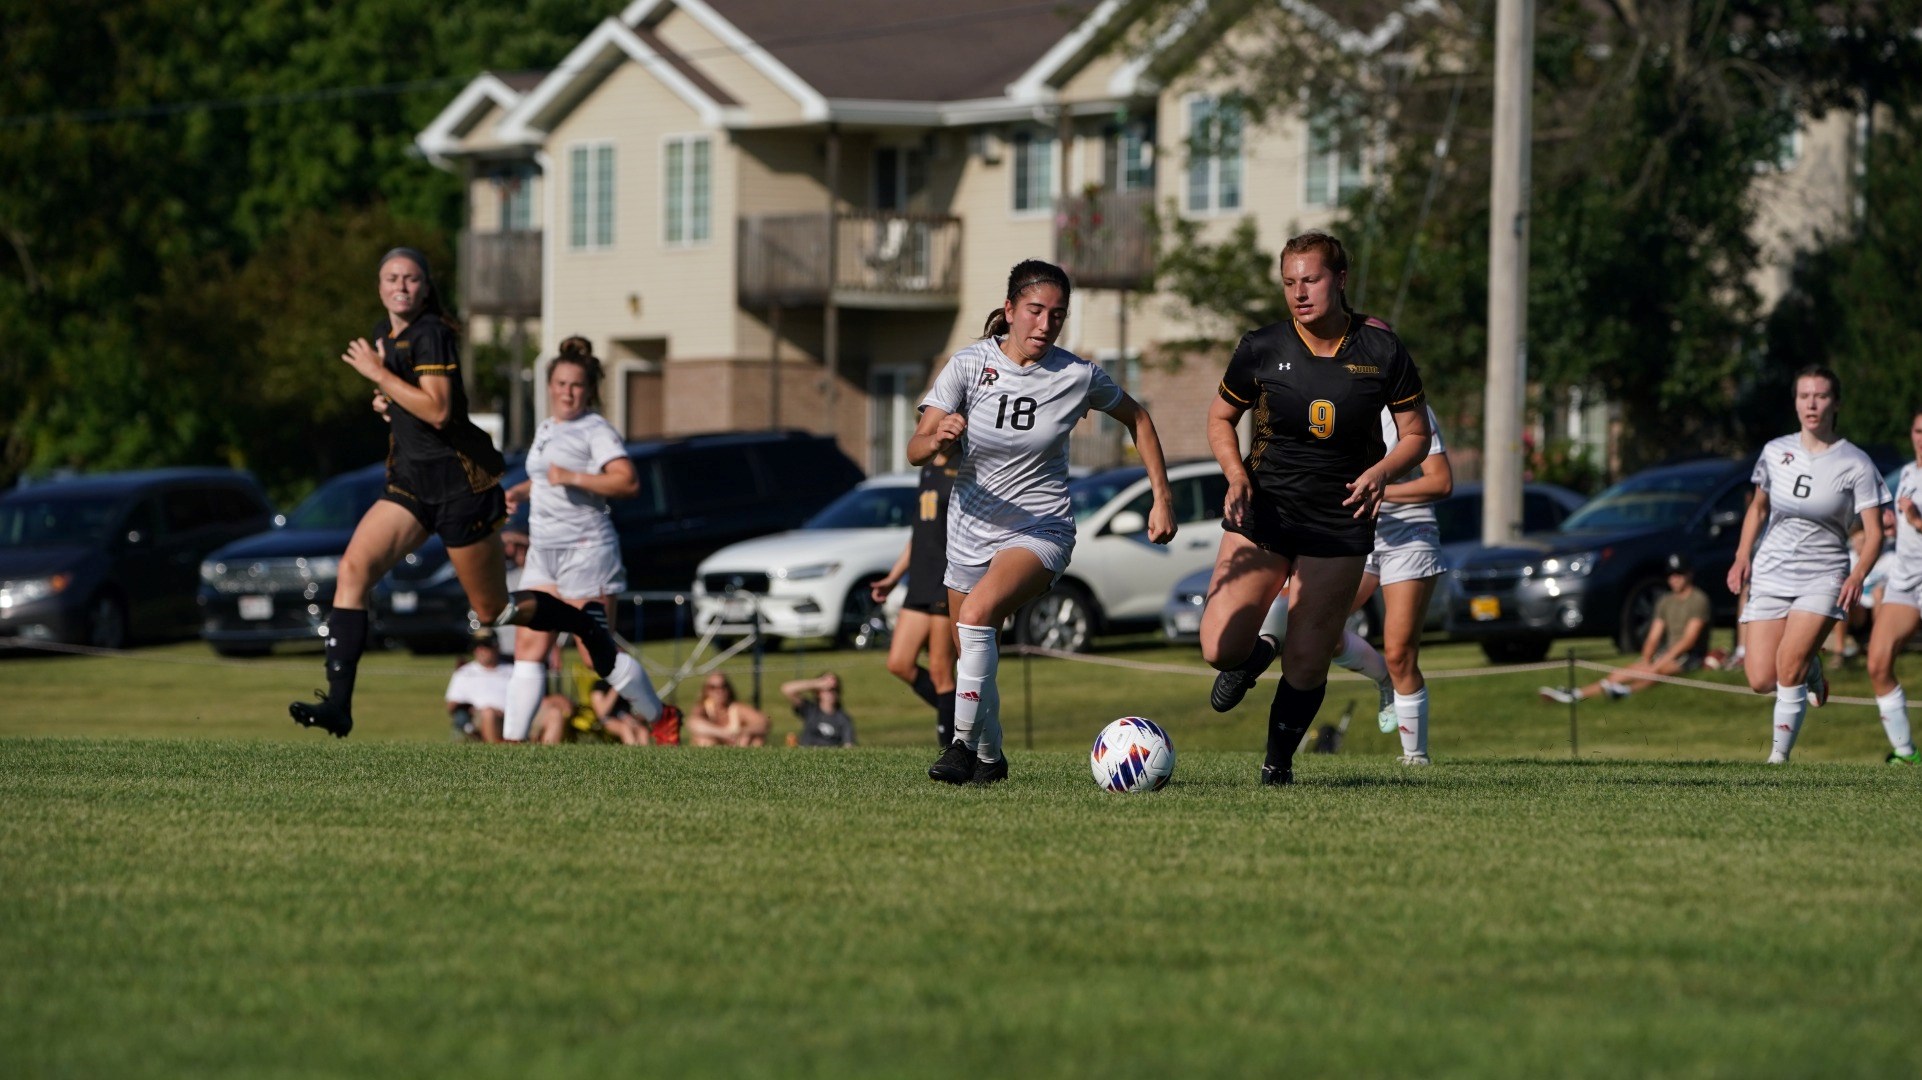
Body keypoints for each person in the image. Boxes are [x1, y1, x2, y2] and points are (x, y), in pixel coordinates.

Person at [290, 249, 653, 738]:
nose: (401, 286)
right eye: (391, 278)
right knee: (353, 570)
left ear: (425, 286)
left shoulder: (432, 333)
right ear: (378, 285)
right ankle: (338, 705)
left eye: (412, 278)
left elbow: (439, 412)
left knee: (494, 611)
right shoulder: (385, 333)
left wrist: (380, 378)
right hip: (412, 486)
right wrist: (386, 401)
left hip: (461, 488)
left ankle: (583, 623)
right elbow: (410, 403)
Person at [913, 259, 1176, 785]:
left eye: (1057, 315)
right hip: (968, 531)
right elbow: (916, 447)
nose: (1045, 324)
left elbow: (1139, 419)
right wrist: (939, 437)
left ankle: (960, 747)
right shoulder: (967, 366)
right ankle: (991, 757)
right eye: (1035, 311)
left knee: (980, 614)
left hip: (1041, 529)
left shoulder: (1076, 375)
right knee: (974, 652)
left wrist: (1161, 497)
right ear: (1010, 310)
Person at [1200, 231, 1431, 786]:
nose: (1299, 293)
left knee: (1307, 657)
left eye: (1311, 279)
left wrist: (1381, 473)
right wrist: (1236, 474)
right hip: (1266, 510)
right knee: (1218, 646)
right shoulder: (1261, 346)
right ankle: (1252, 659)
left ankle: (1277, 767)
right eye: (1289, 282)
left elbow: (1416, 435)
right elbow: (1219, 419)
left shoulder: (1381, 350)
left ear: (1341, 279)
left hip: (1339, 519)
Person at [499, 336, 672, 743]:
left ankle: (661, 717)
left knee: (597, 654)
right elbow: (547, 475)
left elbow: (627, 481)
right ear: (549, 385)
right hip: (544, 553)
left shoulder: (595, 430)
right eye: (560, 383)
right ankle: (508, 746)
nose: (567, 392)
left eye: (575, 385)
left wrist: (574, 476)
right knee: (528, 645)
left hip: (586, 552)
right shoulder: (547, 427)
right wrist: (521, 491)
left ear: (589, 389)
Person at [1258, 399, 1450, 765]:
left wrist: (1377, 489)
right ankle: (1384, 682)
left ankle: (1415, 759)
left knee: (1399, 651)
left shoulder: (1410, 409)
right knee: (1315, 633)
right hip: (1353, 531)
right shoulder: (1329, 400)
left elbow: (1441, 482)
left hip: (1408, 533)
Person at [1726, 365, 1886, 764]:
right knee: (1761, 678)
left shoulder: (1856, 463)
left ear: (1836, 404)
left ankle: (1777, 760)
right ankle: (1812, 669)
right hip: (1772, 572)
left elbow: (1876, 533)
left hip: (1824, 574)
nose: (1812, 404)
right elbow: (1758, 507)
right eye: (1804, 396)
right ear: (1796, 403)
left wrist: (1857, 574)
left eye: (1820, 396)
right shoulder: (1774, 451)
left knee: (1787, 665)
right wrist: (1742, 556)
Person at [872, 448, 960, 745]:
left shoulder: (966, 465)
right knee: (899, 662)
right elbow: (920, 533)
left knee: (940, 671)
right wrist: (894, 577)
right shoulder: (926, 467)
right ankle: (968, 718)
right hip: (920, 579)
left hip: (947, 577)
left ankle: (951, 748)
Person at [1538, 552, 1709, 704]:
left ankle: (1626, 692)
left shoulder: (1698, 600)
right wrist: (1648, 657)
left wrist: (1661, 661)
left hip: (1690, 657)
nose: (1674, 578)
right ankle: (1576, 695)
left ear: (1689, 574)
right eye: (1671, 575)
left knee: (1658, 672)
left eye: (1679, 574)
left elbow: (1689, 640)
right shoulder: (1665, 601)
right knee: (1621, 673)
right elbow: (1654, 635)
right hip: (1667, 653)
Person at [1862, 408, 1922, 764]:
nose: (1921, 437)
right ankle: (1906, 754)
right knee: (1877, 664)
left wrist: (1915, 520)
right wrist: (1891, 522)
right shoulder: (1908, 474)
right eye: (1917, 430)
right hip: (1905, 580)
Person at [445, 629, 513, 742]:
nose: (480, 650)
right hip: (480, 718)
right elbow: (452, 705)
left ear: (496, 646)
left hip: (512, 717)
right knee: (489, 713)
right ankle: (497, 754)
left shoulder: (512, 670)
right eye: (476, 645)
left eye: (486, 645)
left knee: (553, 708)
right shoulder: (464, 673)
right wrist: (468, 709)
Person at [686, 673, 771, 747]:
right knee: (703, 739)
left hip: (738, 744)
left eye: (723, 686)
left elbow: (763, 722)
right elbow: (693, 723)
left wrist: (744, 731)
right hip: (714, 743)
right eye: (713, 687)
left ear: (729, 689)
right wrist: (724, 734)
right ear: (706, 690)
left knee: (756, 740)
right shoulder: (703, 708)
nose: (719, 691)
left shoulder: (736, 708)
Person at [783, 672, 857, 747]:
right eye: (827, 689)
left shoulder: (843, 718)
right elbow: (787, 689)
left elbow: (848, 744)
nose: (831, 693)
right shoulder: (810, 709)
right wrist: (817, 683)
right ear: (818, 692)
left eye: (834, 689)